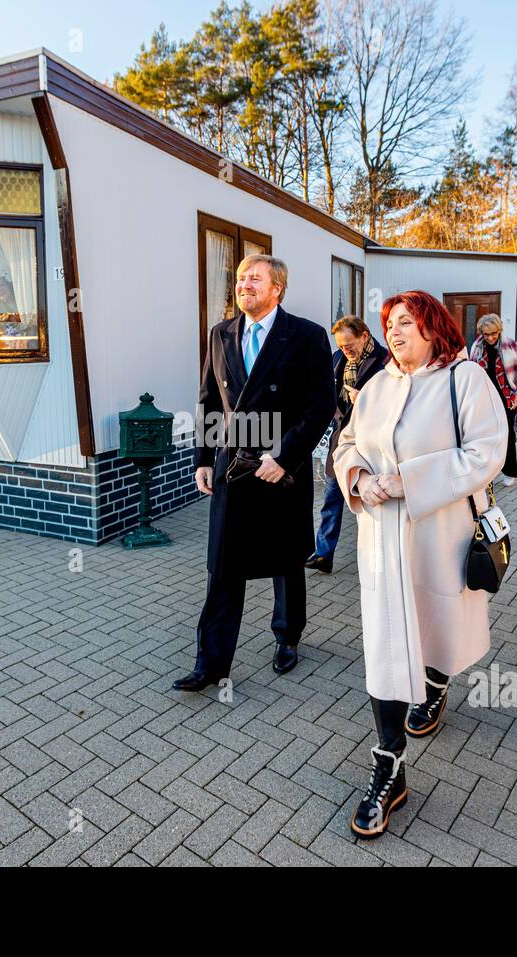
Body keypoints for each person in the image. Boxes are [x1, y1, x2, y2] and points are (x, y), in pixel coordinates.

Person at [333, 291, 506, 838]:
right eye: (391, 323)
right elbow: (349, 443)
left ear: (435, 328)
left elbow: (486, 452)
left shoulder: (465, 379)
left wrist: (407, 481)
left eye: (407, 322)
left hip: (441, 532)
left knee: (436, 629)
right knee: (385, 647)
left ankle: (434, 683)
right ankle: (389, 766)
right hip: (381, 538)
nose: (397, 331)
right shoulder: (379, 385)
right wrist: (358, 478)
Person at [173, 255, 334, 691]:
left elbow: (319, 406)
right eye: (241, 279)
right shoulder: (220, 333)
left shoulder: (306, 335)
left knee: (286, 560)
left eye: (254, 279)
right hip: (233, 465)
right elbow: (208, 400)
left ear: (277, 288)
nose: (244, 285)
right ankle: (211, 663)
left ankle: (287, 637)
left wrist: (283, 457)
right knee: (222, 565)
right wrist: (203, 459)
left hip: (282, 467)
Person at [306, 315, 390, 574]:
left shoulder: (386, 362)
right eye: (341, 346)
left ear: (365, 336)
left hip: (374, 446)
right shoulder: (337, 359)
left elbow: (394, 404)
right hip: (342, 442)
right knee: (331, 498)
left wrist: (362, 399)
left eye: (349, 344)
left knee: (373, 506)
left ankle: (380, 561)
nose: (345, 350)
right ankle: (323, 554)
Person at [468, 314, 517, 488]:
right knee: (483, 437)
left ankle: (510, 471)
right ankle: (487, 472)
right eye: (486, 334)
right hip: (484, 399)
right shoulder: (475, 348)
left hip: (507, 400)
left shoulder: (512, 347)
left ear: (499, 331)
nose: (490, 338)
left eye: (493, 333)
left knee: (507, 436)